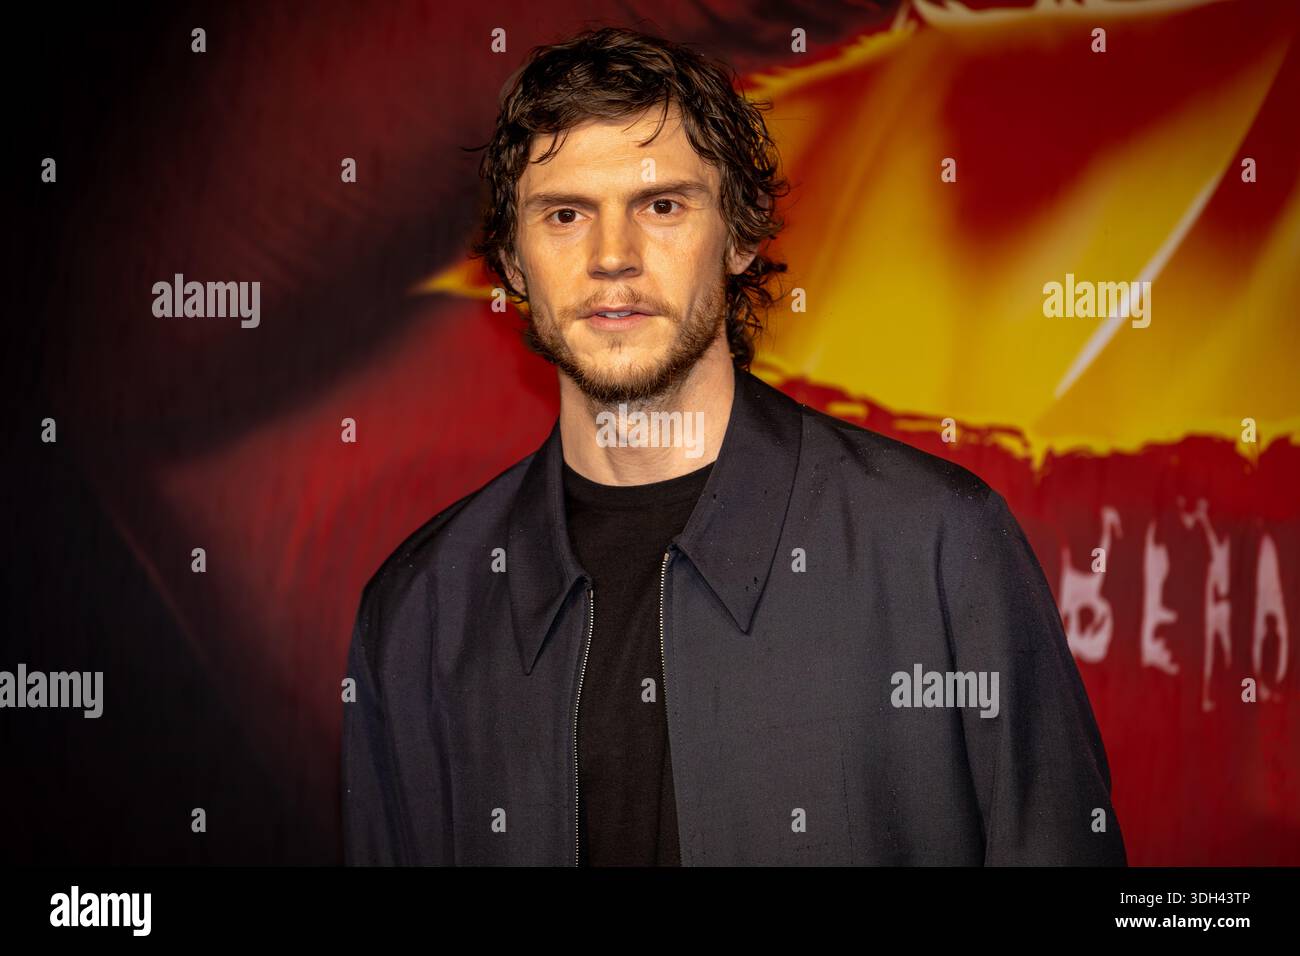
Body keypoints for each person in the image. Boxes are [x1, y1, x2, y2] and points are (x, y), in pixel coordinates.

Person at [341, 25, 1126, 866]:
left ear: (743, 237)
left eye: (663, 205)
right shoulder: (419, 613)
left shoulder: (940, 548)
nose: (614, 258)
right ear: (515, 261)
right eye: (565, 215)